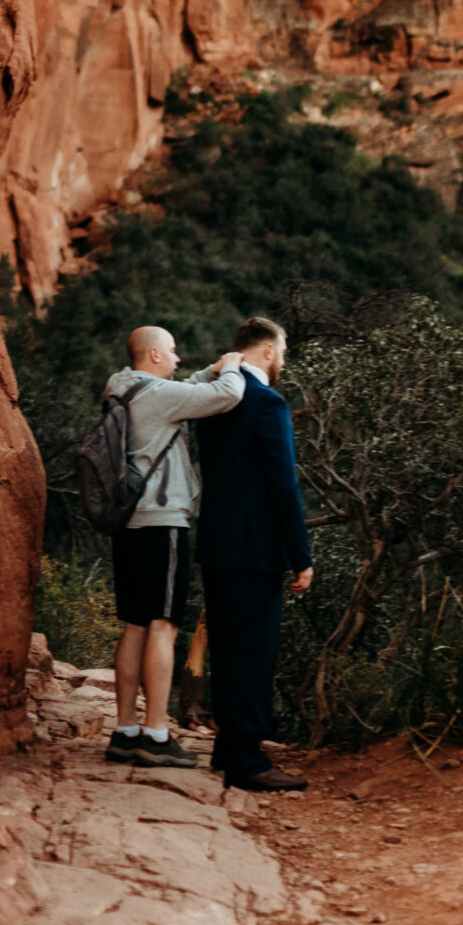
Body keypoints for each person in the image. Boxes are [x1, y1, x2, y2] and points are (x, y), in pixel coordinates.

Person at [101, 326, 245, 768]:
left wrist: (210, 367)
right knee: (164, 624)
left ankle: (125, 732)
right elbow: (227, 395)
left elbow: (183, 387)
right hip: (163, 521)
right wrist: (234, 365)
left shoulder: (121, 386)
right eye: (174, 352)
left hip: (128, 522)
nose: (179, 358)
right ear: (155, 355)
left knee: (135, 625)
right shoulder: (159, 396)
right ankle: (157, 733)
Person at [195, 315, 314, 793]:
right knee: (254, 650)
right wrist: (299, 555)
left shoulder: (212, 401)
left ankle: (229, 747)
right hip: (256, 548)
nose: (282, 360)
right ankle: (245, 759)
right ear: (267, 351)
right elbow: (283, 484)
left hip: (217, 541)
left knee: (228, 648)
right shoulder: (267, 403)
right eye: (282, 351)